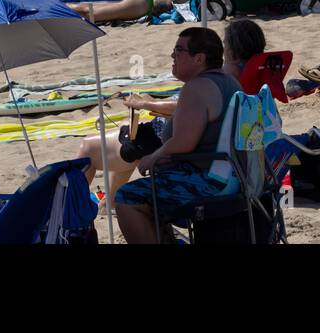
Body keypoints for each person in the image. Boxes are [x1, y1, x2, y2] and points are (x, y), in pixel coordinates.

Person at [76, 19, 264, 199]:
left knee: (92, 146)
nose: (173, 56)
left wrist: (146, 104)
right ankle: (109, 201)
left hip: (183, 155)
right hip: (218, 159)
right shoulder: (255, 73)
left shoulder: (221, 77)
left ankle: (79, 221)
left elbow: (187, 129)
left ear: (229, 49)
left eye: (179, 51)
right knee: (128, 133)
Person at [114, 26, 243, 243]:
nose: (172, 55)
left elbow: (183, 143)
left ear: (199, 58)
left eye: (179, 50)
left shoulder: (197, 87)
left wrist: (151, 159)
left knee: (126, 198)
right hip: (234, 175)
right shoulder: (228, 82)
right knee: (152, 190)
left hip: (211, 182)